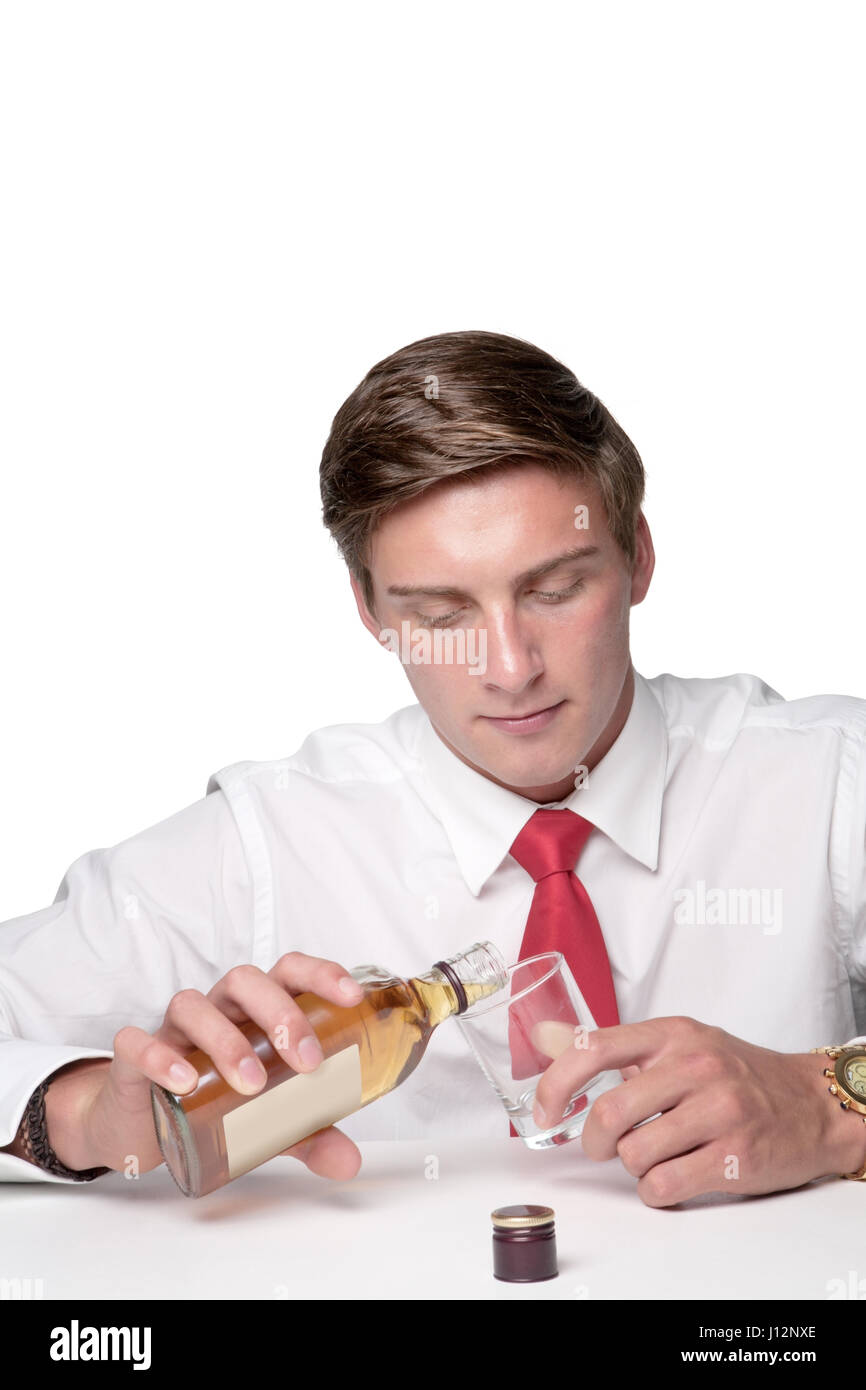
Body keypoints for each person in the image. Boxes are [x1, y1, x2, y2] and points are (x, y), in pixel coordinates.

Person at [2, 329, 864, 1208]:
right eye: (441, 611)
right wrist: (80, 1119)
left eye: (556, 588)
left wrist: (832, 1103)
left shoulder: (830, 783)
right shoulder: (268, 843)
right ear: (371, 610)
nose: (509, 665)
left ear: (638, 556)